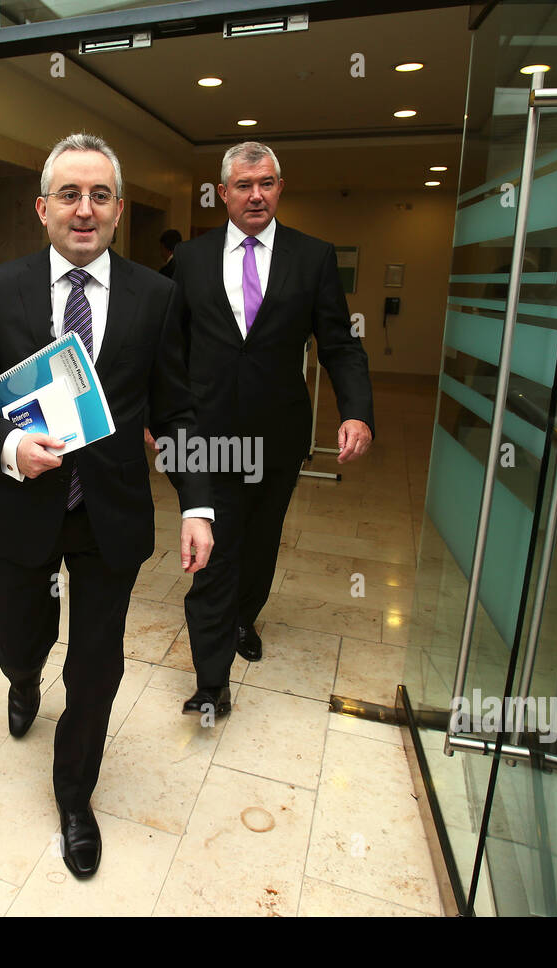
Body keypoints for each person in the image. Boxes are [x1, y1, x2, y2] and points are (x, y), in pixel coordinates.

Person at [0, 134, 214, 880]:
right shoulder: (1, 288)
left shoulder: (157, 297)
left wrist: (199, 505)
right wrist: (6, 446)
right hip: (24, 502)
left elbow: (180, 410)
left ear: (119, 210)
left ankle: (74, 798)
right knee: (14, 638)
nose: (84, 209)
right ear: (42, 208)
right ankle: (23, 676)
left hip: (112, 513)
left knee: (95, 667)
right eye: (69, 194)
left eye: (99, 195)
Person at [173, 141, 373, 718]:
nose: (255, 194)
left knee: (258, 547)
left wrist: (355, 410)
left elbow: (338, 343)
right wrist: (157, 419)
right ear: (223, 193)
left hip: (276, 437)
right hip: (205, 439)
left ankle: (243, 618)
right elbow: (170, 348)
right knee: (213, 550)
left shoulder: (313, 258)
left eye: (265, 183)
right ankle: (211, 680)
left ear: (279, 188)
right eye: (243, 184)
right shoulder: (190, 258)